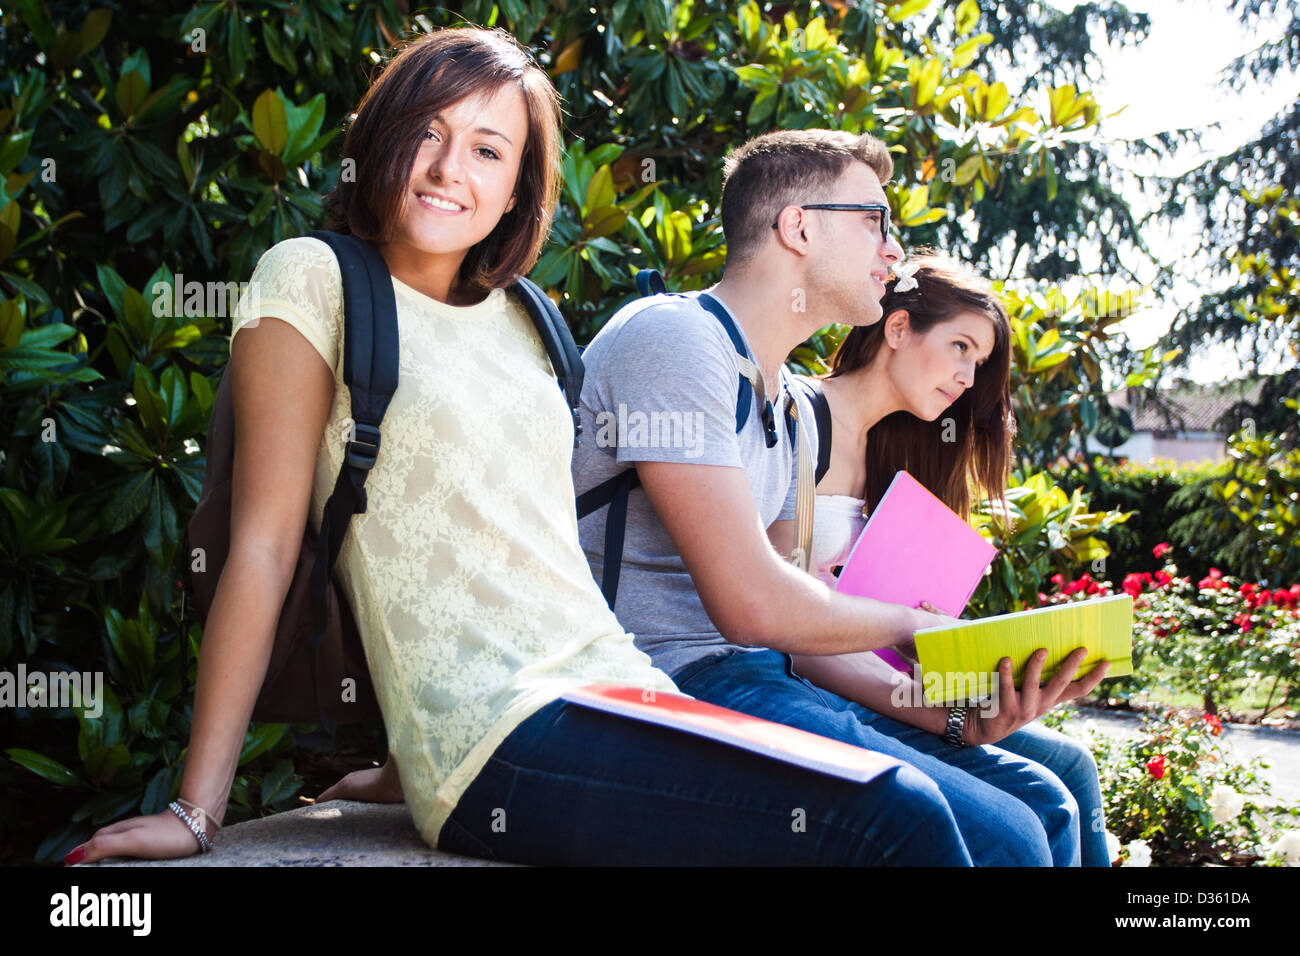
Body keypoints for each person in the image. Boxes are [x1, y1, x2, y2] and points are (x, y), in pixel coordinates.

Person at [64, 27, 976, 867]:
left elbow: (525, 552)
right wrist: (196, 810)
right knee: (895, 814)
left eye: (488, 151)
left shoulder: (528, 320)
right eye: (426, 131)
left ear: (514, 192)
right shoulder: (315, 278)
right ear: (379, 138)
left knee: (896, 801)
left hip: (615, 684)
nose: (448, 167)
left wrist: (387, 764)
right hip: (494, 736)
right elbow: (262, 549)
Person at [571, 128, 1109, 866]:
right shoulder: (674, 337)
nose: (894, 252)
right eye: (874, 223)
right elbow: (752, 606)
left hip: (761, 673)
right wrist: (919, 628)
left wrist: (953, 718)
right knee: (1009, 836)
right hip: (666, 678)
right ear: (798, 227)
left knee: (1042, 803)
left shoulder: (785, 405)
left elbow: (792, 621)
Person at [775, 252, 1112, 867]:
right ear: (897, 329)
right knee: (1043, 808)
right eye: (960, 347)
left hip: (882, 675)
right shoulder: (799, 420)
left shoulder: (896, 449)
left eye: (978, 362)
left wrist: (958, 667)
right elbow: (789, 638)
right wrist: (945, 717)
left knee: (1073, 768)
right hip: (816, 685)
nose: (967, 376)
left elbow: (890, 628)